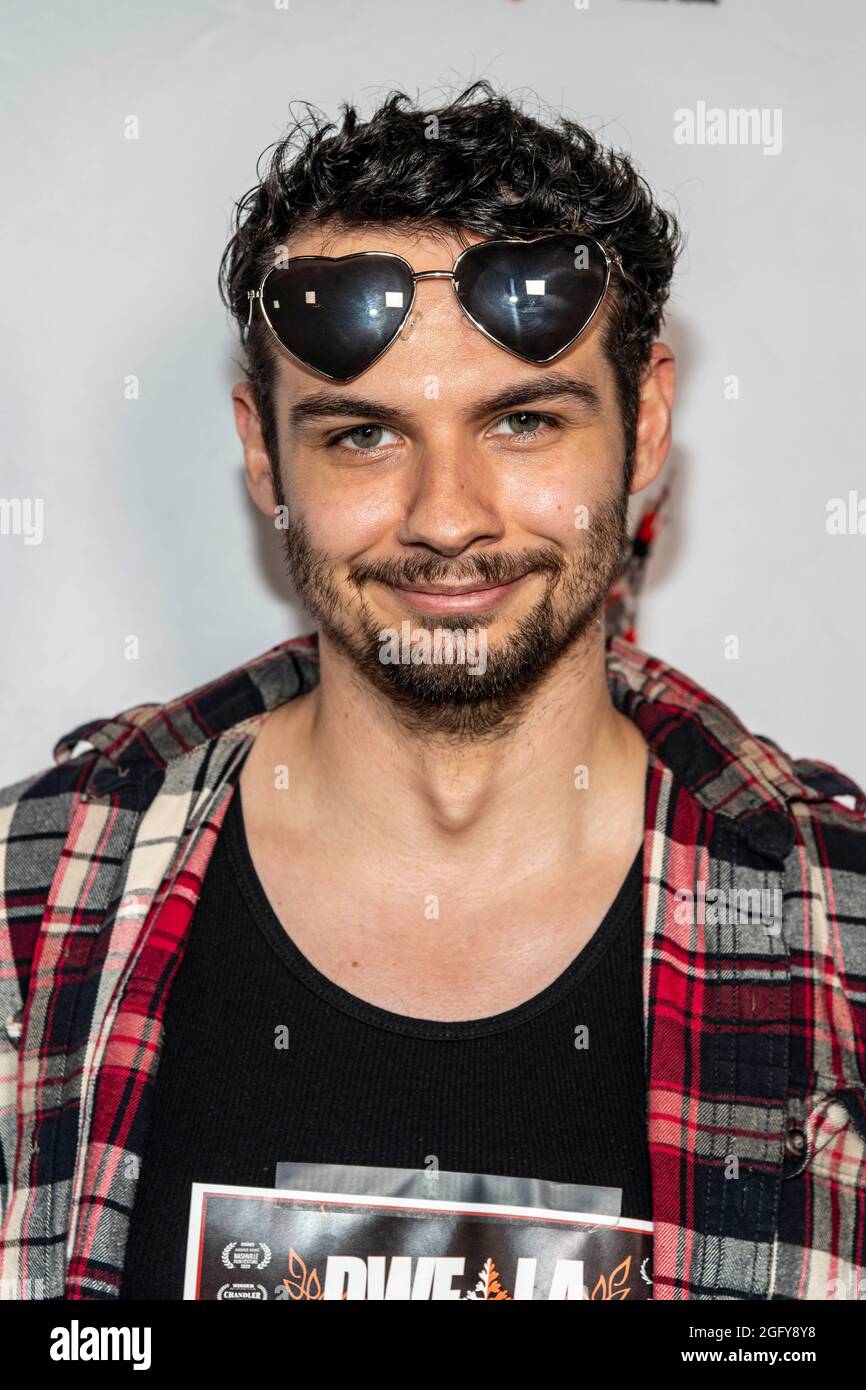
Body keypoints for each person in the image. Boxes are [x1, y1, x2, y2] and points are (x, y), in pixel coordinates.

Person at [1, 81, 864, 1303]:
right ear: (262, 449)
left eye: (521, 422)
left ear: (646, 421)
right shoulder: (29, 912)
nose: (445, 516)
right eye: (363, 435)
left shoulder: (841, 928)